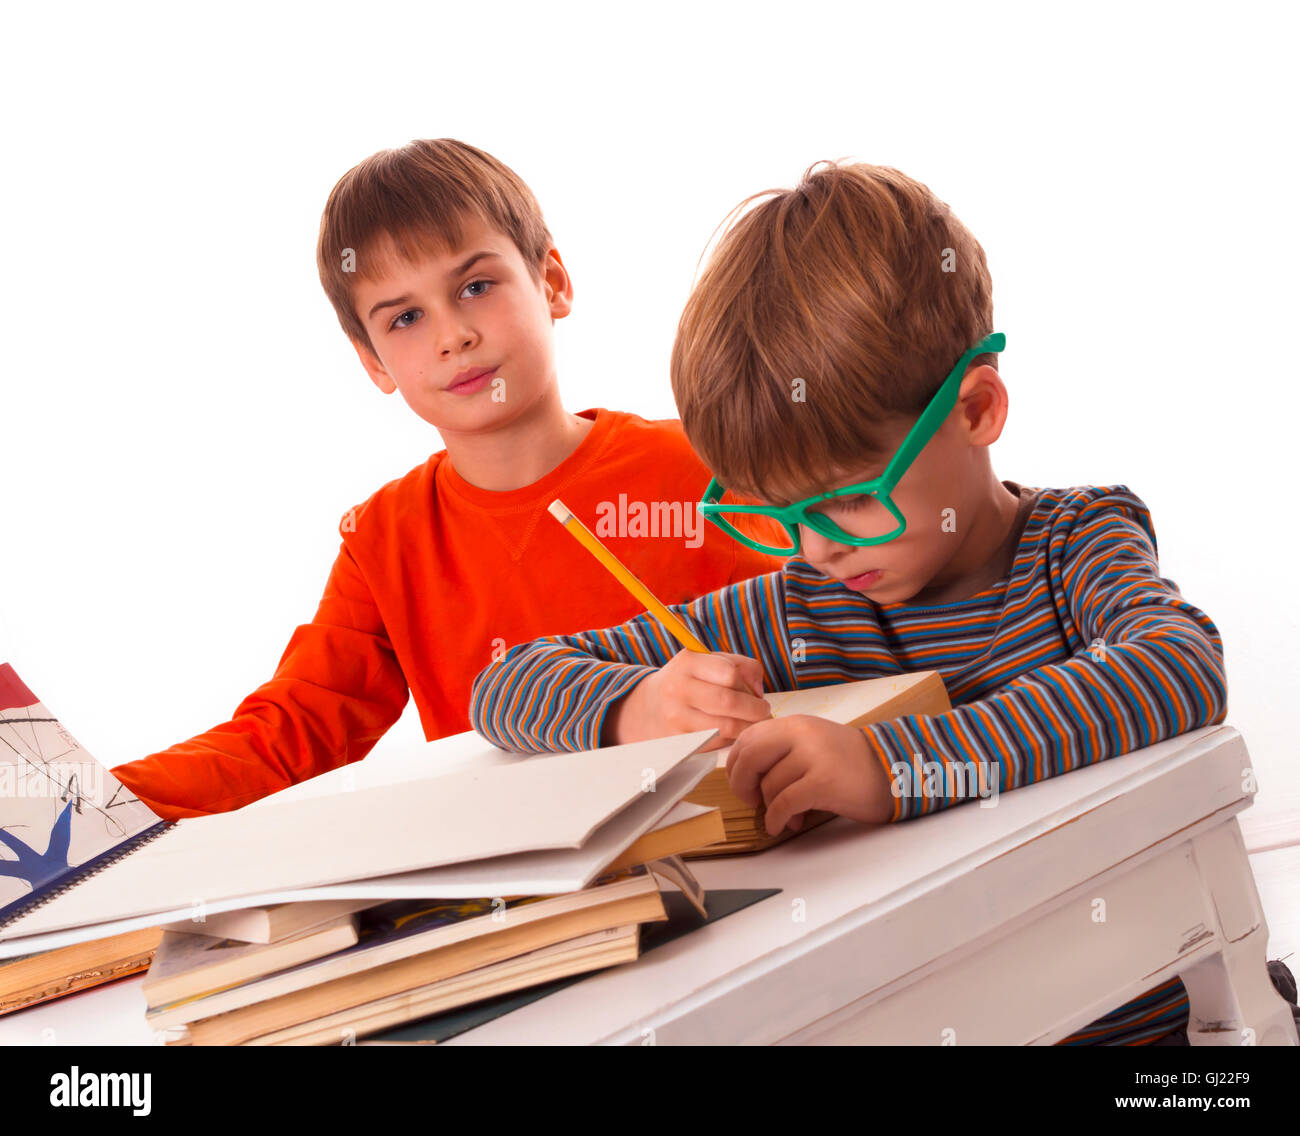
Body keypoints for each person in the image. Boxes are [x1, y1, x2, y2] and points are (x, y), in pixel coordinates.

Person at [467, 159, 1236, 1045]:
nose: (819, 546)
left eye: (852, 497)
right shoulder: (807, 604)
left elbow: (1178, 667)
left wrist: (894, 767)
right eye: (782, 514)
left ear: (978, 409)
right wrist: (634, 705)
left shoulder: (1072, 546)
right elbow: (508, 681)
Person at [110, 139, 783, 822]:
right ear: (372, 362)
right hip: (531, 887)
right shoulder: (384, 540)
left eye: (475, 287)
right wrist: (92, 805)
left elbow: (840, 627)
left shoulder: (709, 468)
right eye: (405, 317)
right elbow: (292, 736)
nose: (453, 334)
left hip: (737, 835)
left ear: (551, 281)